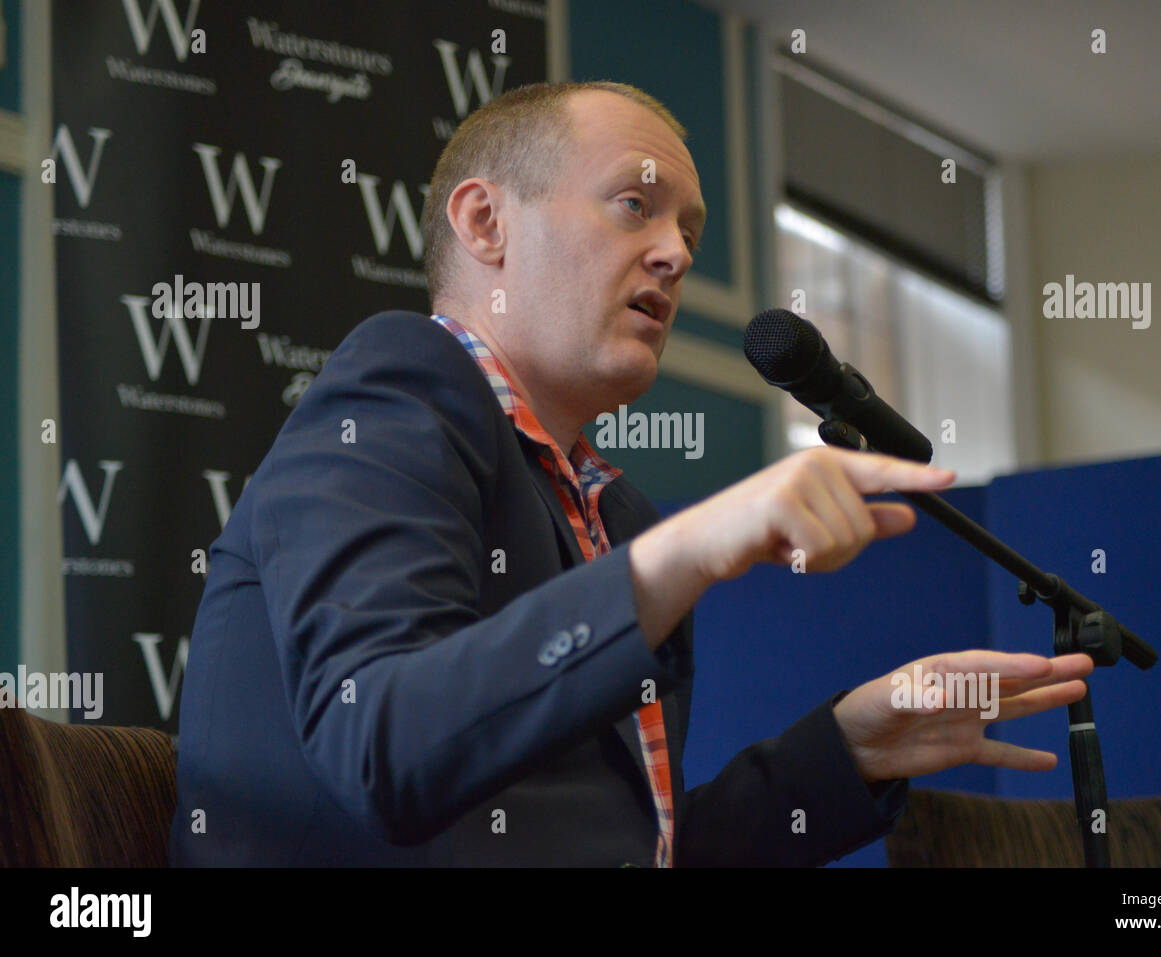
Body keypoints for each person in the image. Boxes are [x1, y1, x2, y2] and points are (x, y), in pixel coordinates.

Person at [168, 80, 1092, 867]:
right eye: (634, 205)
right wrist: (683, 553)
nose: (677, 253)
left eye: (688, 229)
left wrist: (847, 748)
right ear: (486, 222)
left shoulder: (618, 514)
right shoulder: (400, 386)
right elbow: (383, 747)